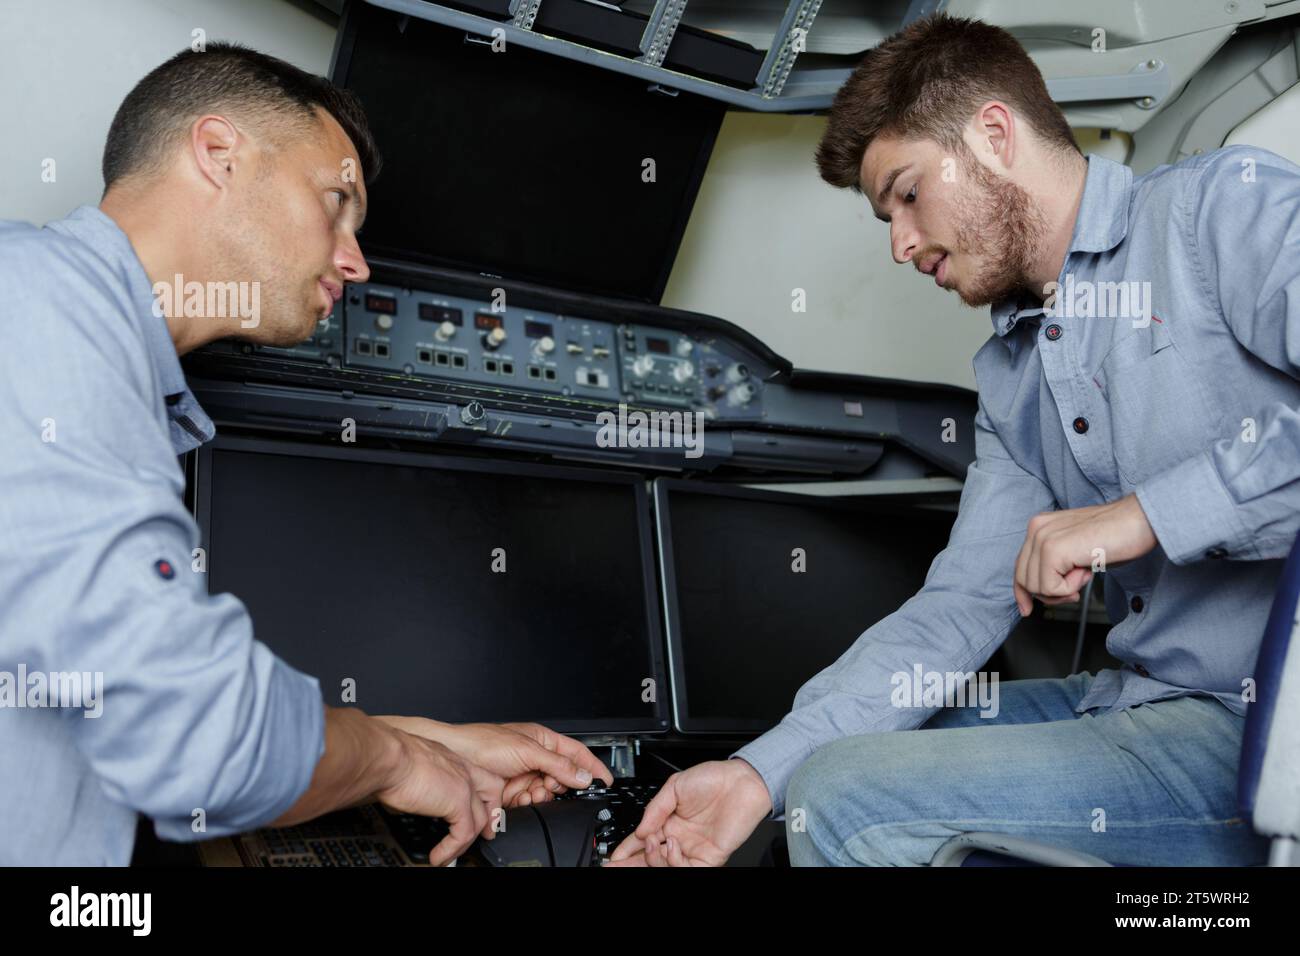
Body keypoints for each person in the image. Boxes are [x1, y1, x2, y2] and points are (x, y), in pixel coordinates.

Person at [610, 13, 1297, 867]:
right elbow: (960, 608)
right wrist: (757, 774)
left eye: (905, 194)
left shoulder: (1219, 211)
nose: (899, 244)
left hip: (1266, 727)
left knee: (847, 801)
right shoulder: (1012, 379)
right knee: (818, 767)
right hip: (1139, 702)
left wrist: (1139, 516)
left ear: (995, 135)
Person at [0, 43, 611, 867]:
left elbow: (114, 695)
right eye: (336, 203)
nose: (355, 262)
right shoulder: (42, 311)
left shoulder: (76, 331)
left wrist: (422, 744)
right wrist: (388, 758)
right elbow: (197, 742)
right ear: (217, 154)